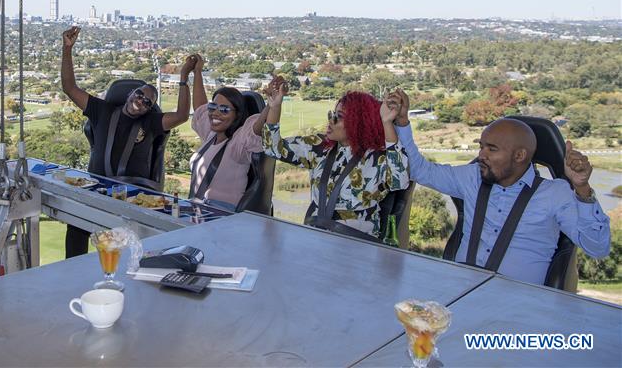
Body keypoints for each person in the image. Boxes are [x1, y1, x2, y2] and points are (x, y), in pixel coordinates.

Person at [388, 89, 610, 285]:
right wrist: (403, 123)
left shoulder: (555, 193)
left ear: (520, 155)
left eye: (491, 149)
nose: (481, 155)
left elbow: (598, 248)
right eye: (481, 146)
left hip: (519, 305)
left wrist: (582, 189)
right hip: (458, 292)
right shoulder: (471, 177)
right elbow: (420, 170)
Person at [61, 26, 196, 256]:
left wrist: (184, 78)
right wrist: (67, 49)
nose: (141, 101)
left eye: (147, 102)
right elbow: (69, 88)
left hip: (132, 196)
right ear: (130, 94)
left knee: (124, 242)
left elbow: (182, 115)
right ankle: (74, 271)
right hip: (96, 189)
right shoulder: (102, 110)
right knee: (75, 225)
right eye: (139, 94)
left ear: (150, 109)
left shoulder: (150, 123)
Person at [263, 78, 409, 239]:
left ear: (358, 123)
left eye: (338, 117)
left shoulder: (377, 157)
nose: (330, 121)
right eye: (332, 115)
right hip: (316, 234)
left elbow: (400, 181)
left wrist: (387, 123)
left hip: (357, 240)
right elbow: (273, 148)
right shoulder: (320, 147)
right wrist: (275, 107)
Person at [187, 54, 271, 210]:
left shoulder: (237, 144)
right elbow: (199, 108)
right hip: (198, 210)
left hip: (222, 214)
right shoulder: (210, 134)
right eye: (213, 107)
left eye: (224, 110)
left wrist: (272, 104)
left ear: (237, 115)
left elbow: (257, 129)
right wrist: (197, 71)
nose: (216, 113)